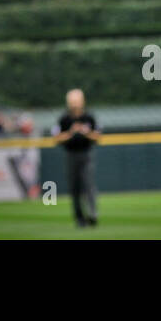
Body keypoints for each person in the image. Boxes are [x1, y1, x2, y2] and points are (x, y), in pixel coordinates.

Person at [53, 88, 100, 228]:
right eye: (72, 101)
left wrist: (85, 132)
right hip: (71, 154)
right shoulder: (64, 119)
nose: (75, 104)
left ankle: (92, 214)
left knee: (88, 185)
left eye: (77, 100)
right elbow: (56, 138)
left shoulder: (89, 117)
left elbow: (97, 136)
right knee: (75, 188)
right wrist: (71, 132)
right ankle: (79, 218)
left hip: (86, 153)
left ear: (82, 101)